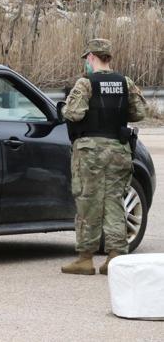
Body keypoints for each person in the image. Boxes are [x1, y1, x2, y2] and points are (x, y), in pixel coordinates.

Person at [61, 38, 146, 275]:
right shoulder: (125, 82)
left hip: (90, 152)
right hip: (119, 150)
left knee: (88, 200)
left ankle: (85, 258)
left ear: (91, 57)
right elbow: (139, 112)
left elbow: (73, 113)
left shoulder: (86, 83)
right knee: (115, 201)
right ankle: (116, 257)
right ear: (109, 57)